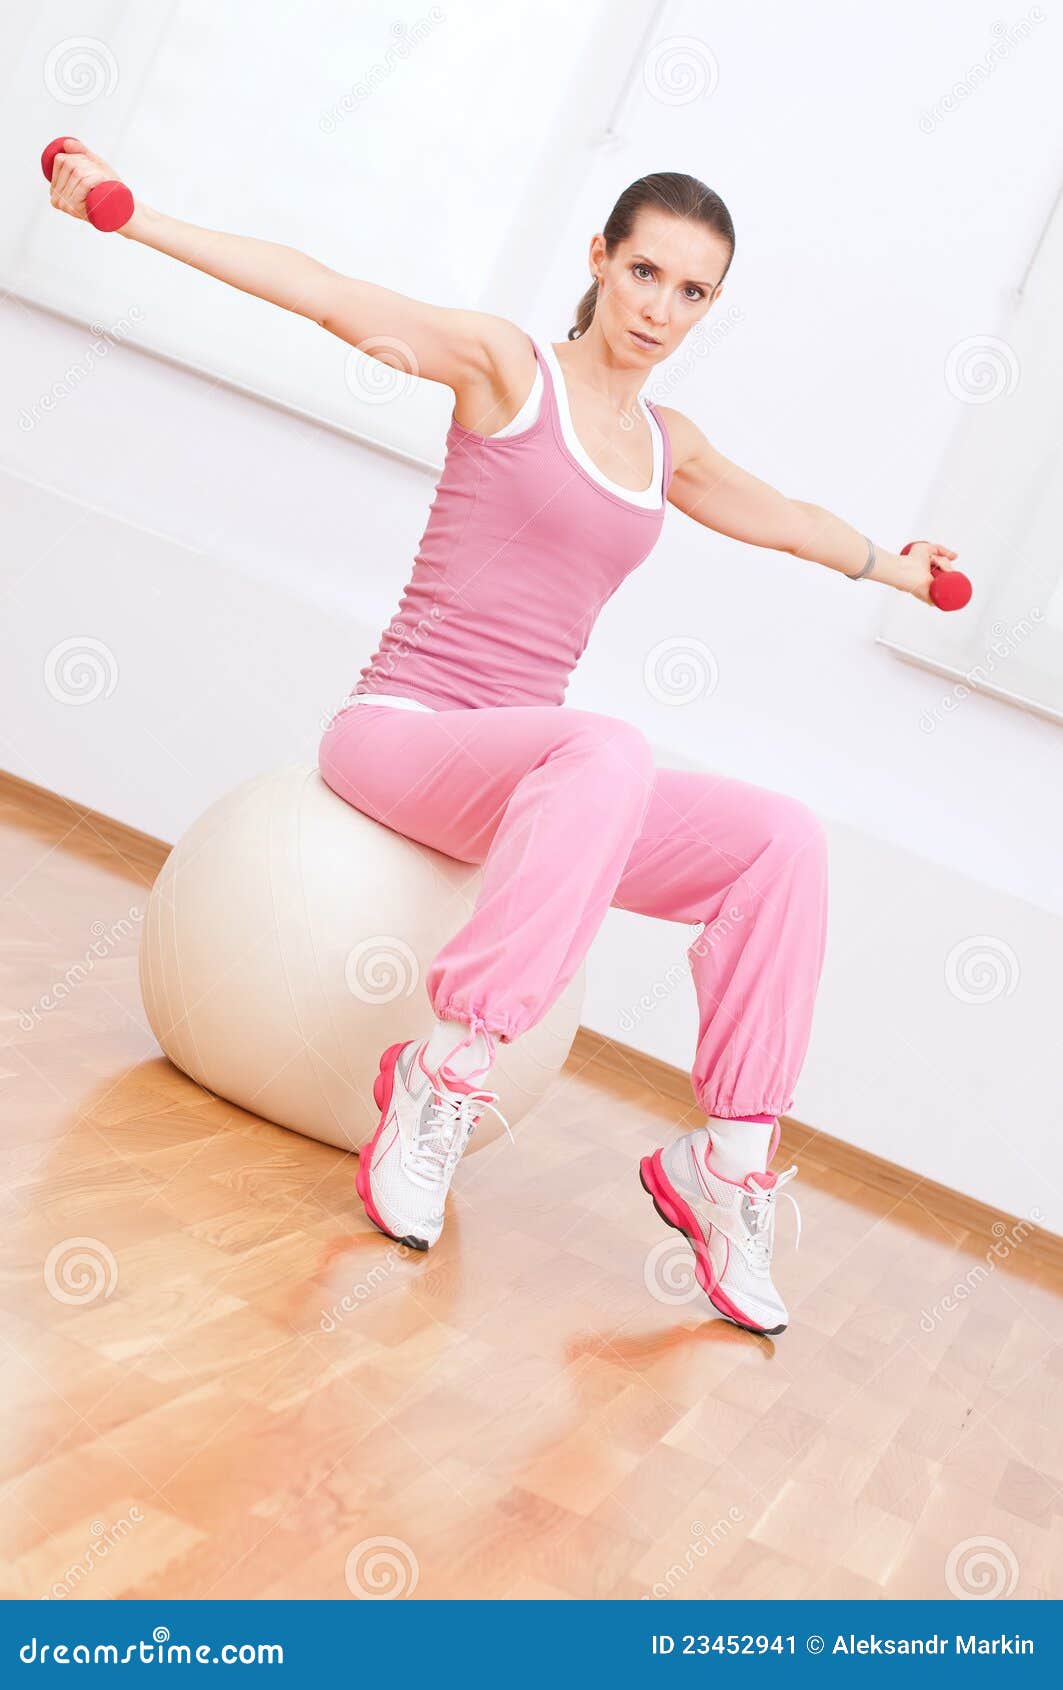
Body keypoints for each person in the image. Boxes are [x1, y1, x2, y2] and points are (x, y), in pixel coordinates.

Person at [49, 153, 959, 1336]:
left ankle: (726, 1164)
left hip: (539, 784)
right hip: (405, 731)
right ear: (599, 259)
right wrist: (129, 218)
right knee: (606, 746)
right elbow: (328, 294)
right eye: (644, 272)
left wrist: (899, 569)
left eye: (691, 292)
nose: (659, 308)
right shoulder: (505, 370)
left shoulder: (668, 445)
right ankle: (443, 1074)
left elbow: (788, 522)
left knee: (780, 840)